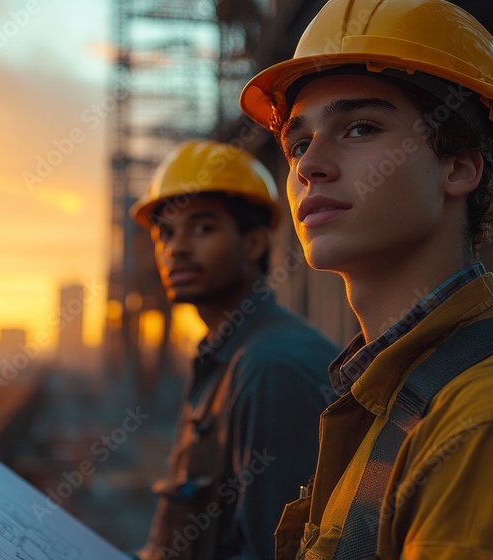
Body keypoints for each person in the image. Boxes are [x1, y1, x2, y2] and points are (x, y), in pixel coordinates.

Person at [238, 1, 493, 558]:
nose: (309, 166)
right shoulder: (390, 399)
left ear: (460, 167)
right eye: (299, 144)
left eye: (359, 128)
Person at [129, 140, 340, 560]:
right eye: (165, 233)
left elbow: (274, 550)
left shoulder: (270, 367)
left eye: (203, 227)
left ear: (254, 243)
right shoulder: (225, 356)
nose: (176, 248)